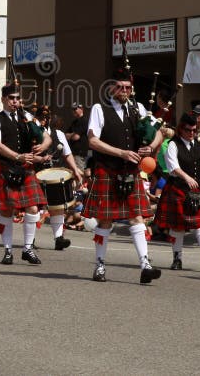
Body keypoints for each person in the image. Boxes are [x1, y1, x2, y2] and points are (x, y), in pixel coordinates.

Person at [85, 68, 162, 283]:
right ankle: (100, 265)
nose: (124, 91)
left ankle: (145, 265)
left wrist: (150, 146)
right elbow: (93, 141)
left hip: (131, 172)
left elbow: (158, 132)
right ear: (111, 87)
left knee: (137, 217)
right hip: (108, 170)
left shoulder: (138, 108)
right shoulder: (100, 108)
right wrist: (121, 153)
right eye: (120, 87)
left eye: (128, 87)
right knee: (105, 220)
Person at [0, 83, 52, 266]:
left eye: (17, 98)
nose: (15, 101)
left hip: (25, 168)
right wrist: (17, 156)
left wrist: (42, 146)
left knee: (33, 209)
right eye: (11, 98)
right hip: (5, 167)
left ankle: (27, 249)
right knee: (7, 210)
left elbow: (47, 137)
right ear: (3, 99)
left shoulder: (27, 117)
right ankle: (8, 250)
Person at [155, 113, 200, 273]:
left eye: (194, 130)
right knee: (178, 227)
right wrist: (187, 178)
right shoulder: (173, 145)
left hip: (198, 190)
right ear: (181, 129)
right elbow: (173, 167)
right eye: (188, 130)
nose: (192, 133)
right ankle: (177, 258)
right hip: (178, 188)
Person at [37, 112, 83, 250]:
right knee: (35, 208)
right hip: (37, 172)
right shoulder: (34, 132)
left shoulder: (59, 134)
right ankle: (30, 240)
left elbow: (67, 154)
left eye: (46, 118)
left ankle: (59, 239)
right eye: (41, 118)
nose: (44, 120)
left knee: (58, 207)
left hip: (55, 174)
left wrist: (75, 170)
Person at [65, 103, 89, 174]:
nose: (74, 111)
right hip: (74, 153)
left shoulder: (84, 121)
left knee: (80, 174)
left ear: (81, 109)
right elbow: (65, 135)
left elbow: (76, 137)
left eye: (75, 109)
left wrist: (71, 135)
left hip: (80, 153)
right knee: (74, 174)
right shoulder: (74, 122)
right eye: (73, 109)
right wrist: (72, 134)